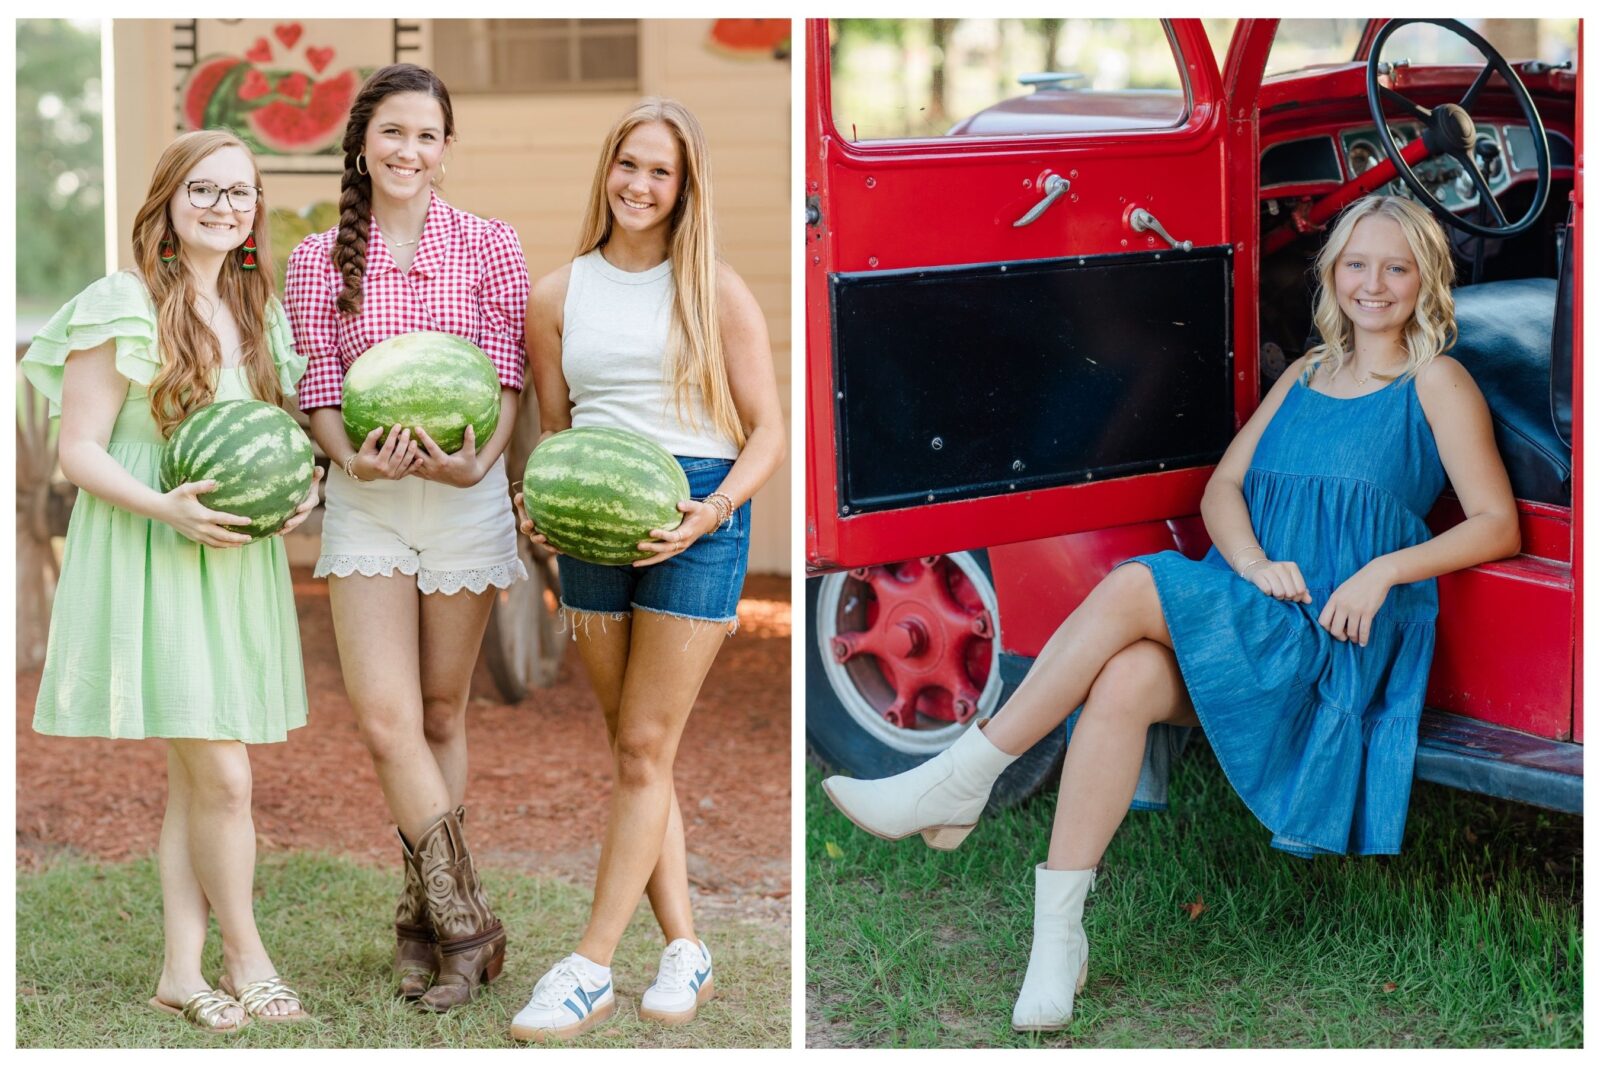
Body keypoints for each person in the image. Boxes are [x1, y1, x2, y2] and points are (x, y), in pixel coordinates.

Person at [823, 194, 1521, 1031]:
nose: (1374, 284)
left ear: (1425, 280)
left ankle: (963, 778)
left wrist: (1382, 571)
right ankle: (1057, 936)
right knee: (1122, 680)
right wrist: (1255, 562)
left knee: (1129, 585)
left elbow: (1497, 523)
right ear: (1332, 274)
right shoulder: (1303, 374)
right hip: (1257, 599)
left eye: (1396, 267)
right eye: (1356, 264)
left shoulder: (1434, 382)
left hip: (1326, 636)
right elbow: (1223, 487)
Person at [21, 130, 321, 1032]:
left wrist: (294, 494)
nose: (224, 206)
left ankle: (179, 972)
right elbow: (79, 452)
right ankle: (248, 957)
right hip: (154, 550)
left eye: (240, 193)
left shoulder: (257, 311)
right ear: (166, 199)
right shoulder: (122, 302)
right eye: (204, 189)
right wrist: (172, 510)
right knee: (223, 776)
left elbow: (272, 441)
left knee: (198, 778)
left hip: (232, 561)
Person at [507, 98, 786, 1041]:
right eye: (629, 164)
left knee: (641, 748)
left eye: (660, 171)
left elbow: (770, 432)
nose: (639, 184)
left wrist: (711, 511)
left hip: (694, 513)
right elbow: (558, 430)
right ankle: (686, 948)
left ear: (684, 187)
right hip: (589, 512)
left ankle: (587, 966)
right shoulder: (557, 294)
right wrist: (536, 503)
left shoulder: (715, 290)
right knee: (636, 750)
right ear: (608, 168)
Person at [282, 63, 529, 1013]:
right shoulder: (317, 259)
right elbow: (316, 397)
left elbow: (506, 380)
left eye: (427, 135)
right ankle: (469, 918)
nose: (409, 152)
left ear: (445, 148)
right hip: (370, 501)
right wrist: (354, 460)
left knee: (438, 713)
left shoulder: (488, 244)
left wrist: (481, 465)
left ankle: (420, 921)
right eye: (392, 133)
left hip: (464, 503)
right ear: (361, 143)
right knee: (384, 717)